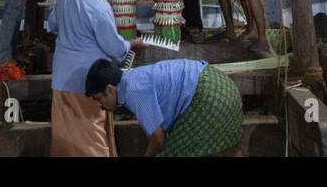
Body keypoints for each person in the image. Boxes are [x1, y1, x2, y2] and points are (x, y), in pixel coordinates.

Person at [48, 0, 144, 156]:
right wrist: (131, 44)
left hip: (62, 77)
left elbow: (53, 25)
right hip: (87, 81)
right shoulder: (99, 6)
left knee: (65, 137)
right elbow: (114, 48)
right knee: (91, 138)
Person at [85, 57, 243, 157]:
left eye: (99, 99)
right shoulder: (133, 77)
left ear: (110, 90)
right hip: (221, 83)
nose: (101, 106)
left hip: (208, 96)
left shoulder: (133, 92)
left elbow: (157, 139)